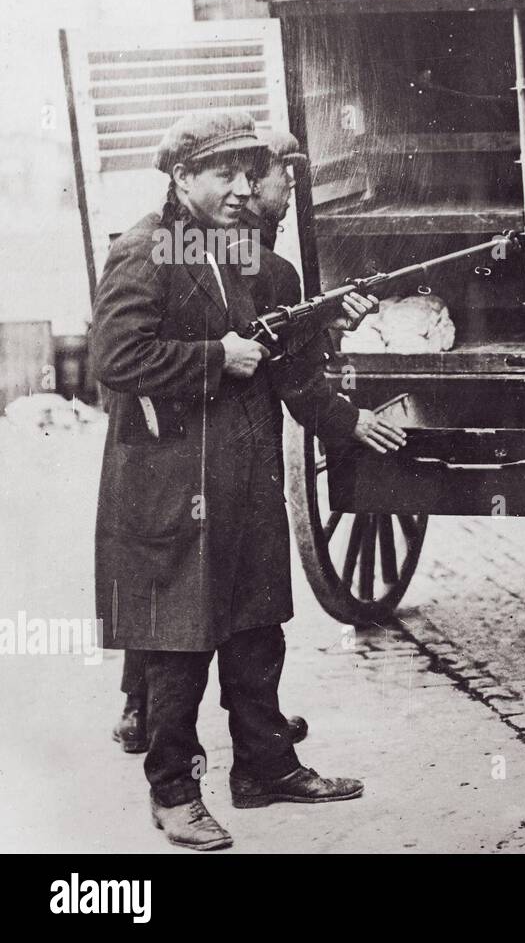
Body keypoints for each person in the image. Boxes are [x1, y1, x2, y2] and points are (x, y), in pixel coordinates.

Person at [92, 110, 405, 851]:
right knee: (180, 640)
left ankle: (265, 767)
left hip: (243, 467)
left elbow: (287, 360)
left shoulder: (245, 253)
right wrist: (213, 359)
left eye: (247, 173)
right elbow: (115, 358)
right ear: (181, 179)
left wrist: (337, 385)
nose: (241, 188)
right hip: (169, 475)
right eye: (220, 173)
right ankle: (173, 791)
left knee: (257, 623)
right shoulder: (145, 251)